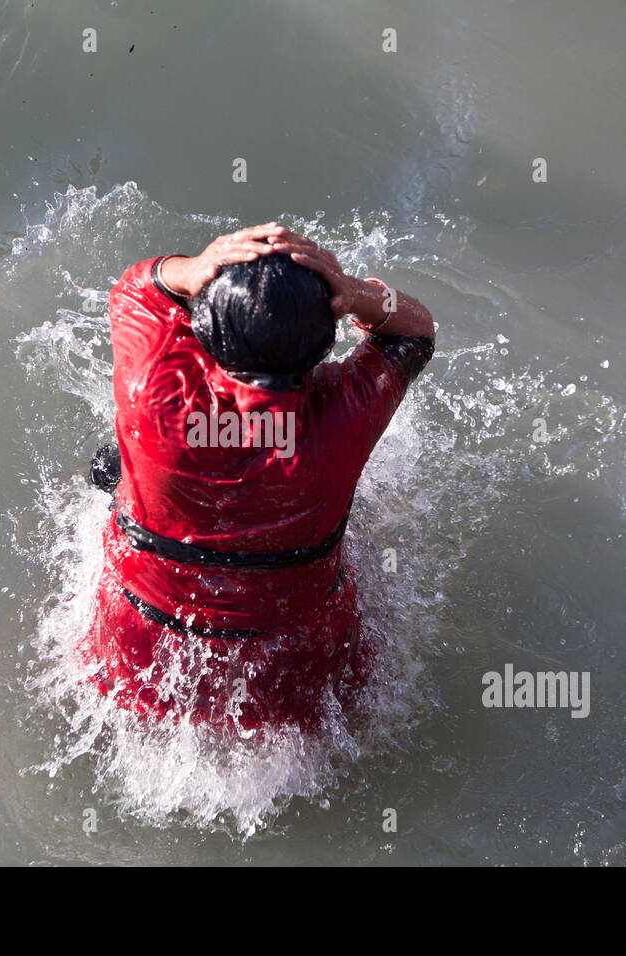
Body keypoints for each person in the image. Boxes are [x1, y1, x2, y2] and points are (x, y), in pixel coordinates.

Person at [80, 222, 435, 731]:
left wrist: (194, 269)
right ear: (323, 345)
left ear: (203, 330)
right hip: (298, 665)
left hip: (143, 648)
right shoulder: (349, 413)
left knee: (109, 465)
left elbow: (136, 286)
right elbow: (415, 332)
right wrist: (355, 293)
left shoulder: (152, 392)